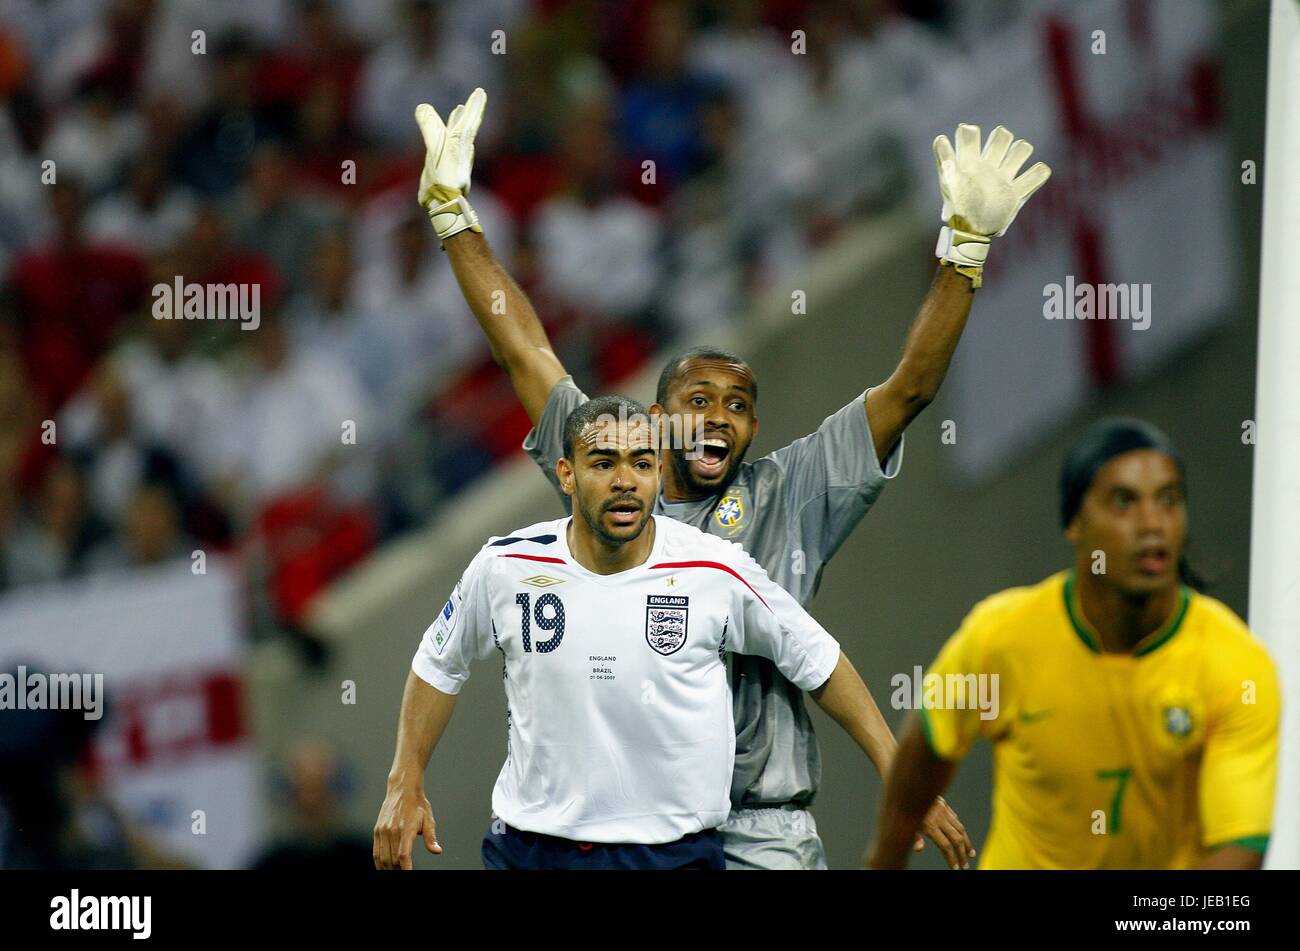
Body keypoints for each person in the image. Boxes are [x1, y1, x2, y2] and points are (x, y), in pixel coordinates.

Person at [412, 88, 1050, 868]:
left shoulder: (798, 488)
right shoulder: (610, 458)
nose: (719, 417)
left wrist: (964, 256)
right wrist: (453, 220)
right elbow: (523, 348)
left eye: (740, 405)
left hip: (765, 830)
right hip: (633, 831)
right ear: (651, 417)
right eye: (699, 401)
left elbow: (910, 389)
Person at [373, 396, 970, 870]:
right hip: (531, 849)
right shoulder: (506, 566)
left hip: (673, 856)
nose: (625, 480)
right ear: (567, 475)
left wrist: (898, 773)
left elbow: (819, 662)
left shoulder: (715, 569)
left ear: (659, 472)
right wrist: (405, 778)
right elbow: (438, 662)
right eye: (604, 463)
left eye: (641, 463)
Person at [868, 419, 1281, 869]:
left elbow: (1238, 851)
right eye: (1124, 501)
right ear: (1075, 523)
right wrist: (884, 859)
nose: (1152, 524)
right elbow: (929, 743)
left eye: (1168, 500)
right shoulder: (1003, 637)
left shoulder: (1237, 666)